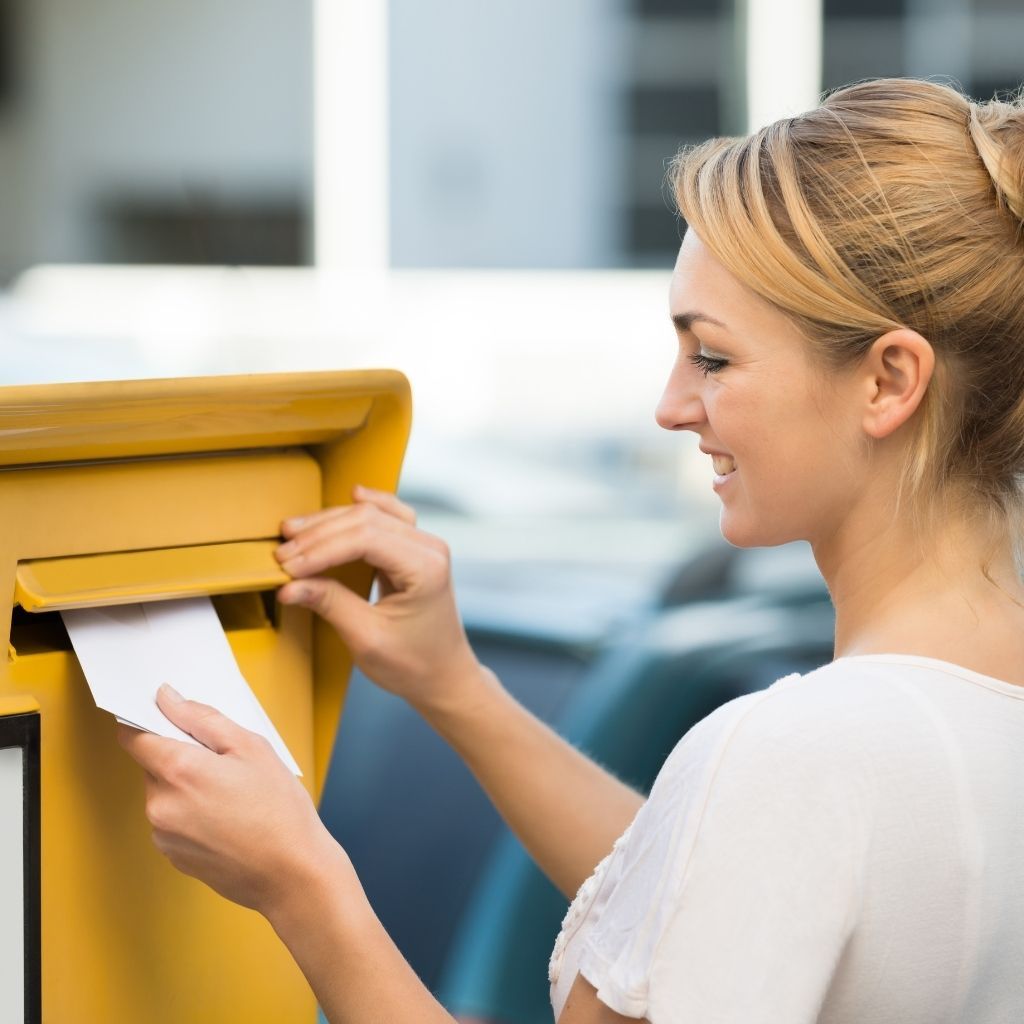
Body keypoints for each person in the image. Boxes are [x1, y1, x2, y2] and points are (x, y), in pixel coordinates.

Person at [119, 77, 1024, 1023]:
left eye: (711, 357)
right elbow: (706, 900)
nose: (671, 407)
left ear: (889, 380)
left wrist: (301, 884)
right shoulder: (949, 725)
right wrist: (453, 684)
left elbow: (759, 832)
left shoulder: (793, 753)